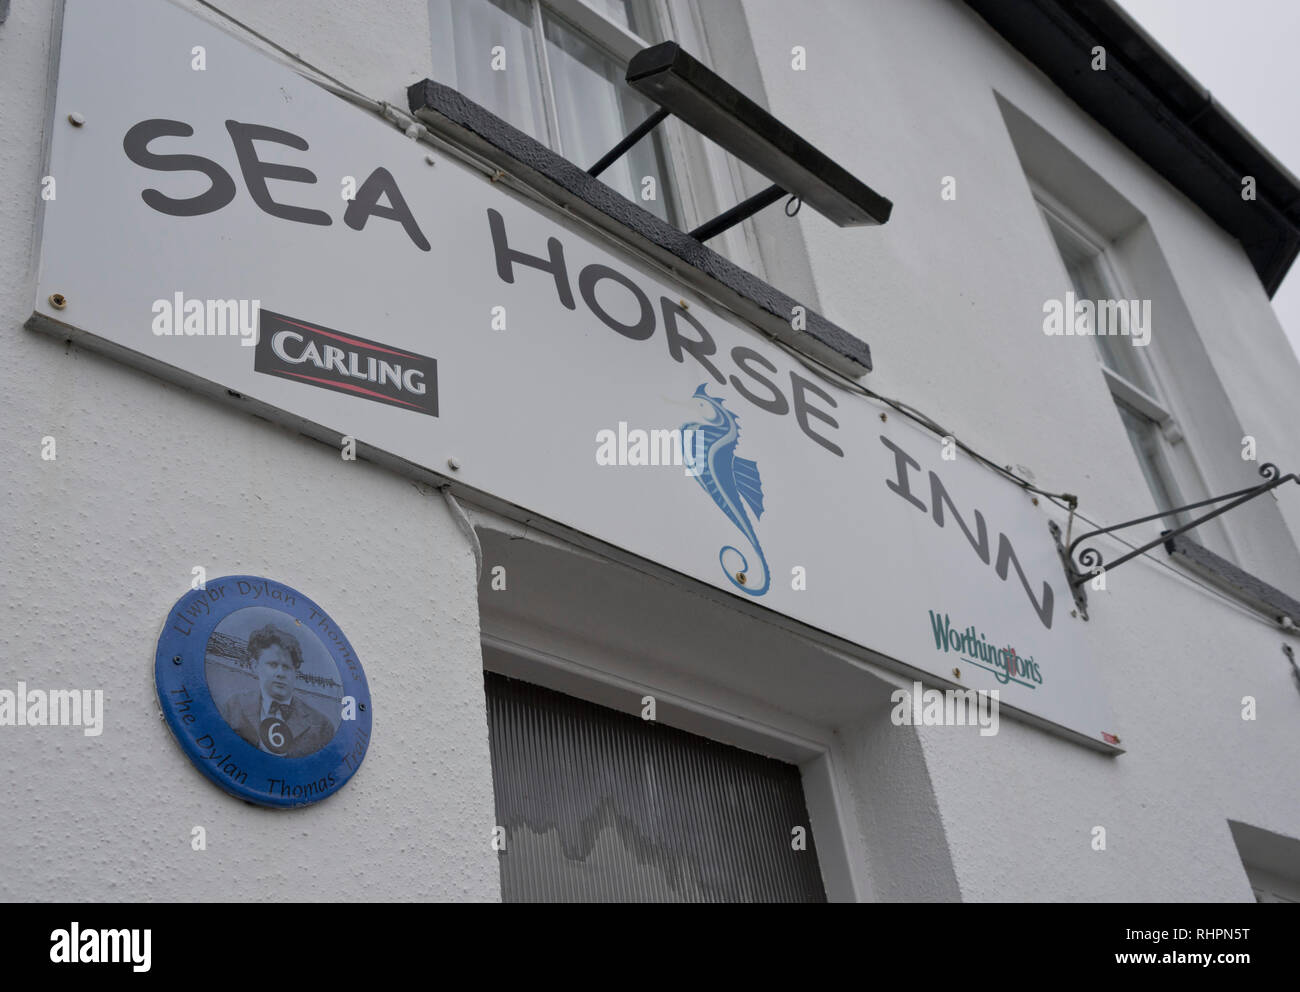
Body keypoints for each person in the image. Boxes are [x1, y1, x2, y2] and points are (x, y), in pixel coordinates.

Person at [218, 624, 335, 758]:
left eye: (286, 667)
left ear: (295, 672)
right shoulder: (234, 707)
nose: (280, 673)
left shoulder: (320, 726)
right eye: (273, 665)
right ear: (255, 666)